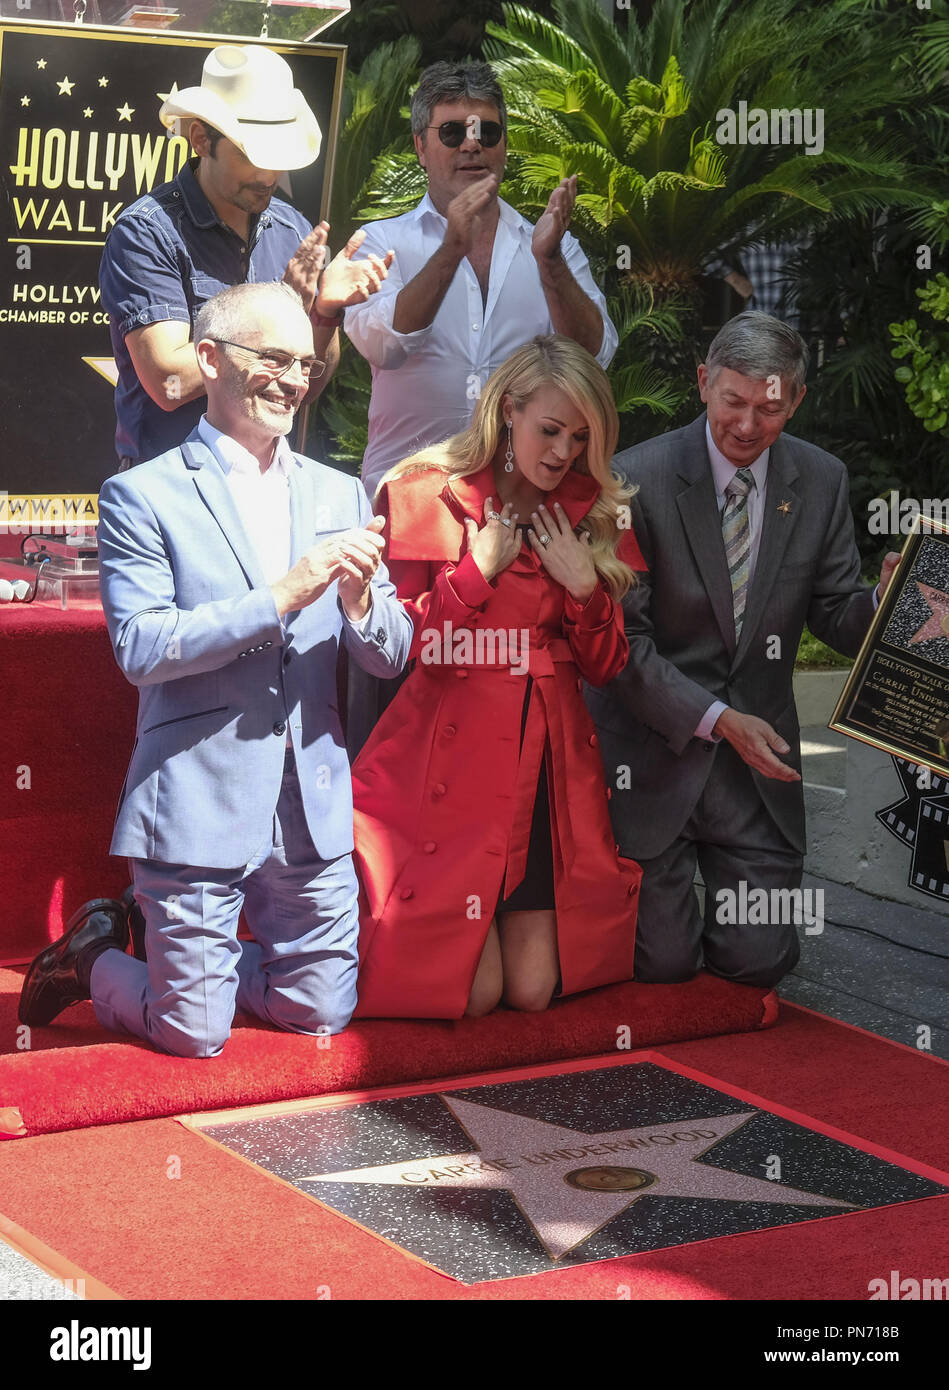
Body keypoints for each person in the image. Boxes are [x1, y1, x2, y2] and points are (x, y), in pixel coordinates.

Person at [18, 282, 413, 1057]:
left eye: (305, 364)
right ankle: (92, 956)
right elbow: (141, 647)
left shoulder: (341, 491)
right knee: (192, 1033)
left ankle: (195, 972)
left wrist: (364, 603)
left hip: (310, 799)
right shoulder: (141, 496)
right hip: (197, 793)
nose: (293, 380)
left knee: (320, 1014)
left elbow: (389, 653)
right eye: (272, 358)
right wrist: (281, 596)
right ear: (208, 359)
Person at [585, 311, 901, 988]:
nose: (749, 425)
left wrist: (888, 606)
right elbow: (621, 647)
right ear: (703, 383)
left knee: (757, 965)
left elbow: (837, 614)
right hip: (651, 757)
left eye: (770, 407)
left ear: (796, 400)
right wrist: (715, 720)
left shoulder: (820, 479)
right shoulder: (631, 479)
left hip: (754, 776)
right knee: (660, 965)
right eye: (733, 401)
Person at [350, 335, 642, 1021]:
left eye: (578, 437)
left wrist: (584, 591)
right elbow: (415, 652)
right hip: (448, 752)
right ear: (507, 409)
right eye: (549, 429)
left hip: (546, 756)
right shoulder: (423, 491)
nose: (563, 452)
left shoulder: (591, 509)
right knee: (472, 993)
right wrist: (475, 573)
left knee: (533, 990)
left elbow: (606, 668)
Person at [99, 43, 392, 468]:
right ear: (201, 139)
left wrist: (323, 311)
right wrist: (281, 306)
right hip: (170, 485)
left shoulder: (292, 228)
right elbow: (169, 384)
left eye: (279, 157)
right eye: (253, 154)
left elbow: (310, 386)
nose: (269, 175)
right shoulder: (148, 231)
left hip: (268, 480)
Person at [344, 61, 618, 500]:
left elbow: (594, 359)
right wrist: (451, 249)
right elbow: (384, 347)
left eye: (487, 133)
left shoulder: (553, 246)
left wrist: (549, 264)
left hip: (522, 507)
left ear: (504, 146)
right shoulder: (381, 240)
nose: (472, 145)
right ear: (420, 145)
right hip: (405, 501)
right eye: (453, 132)